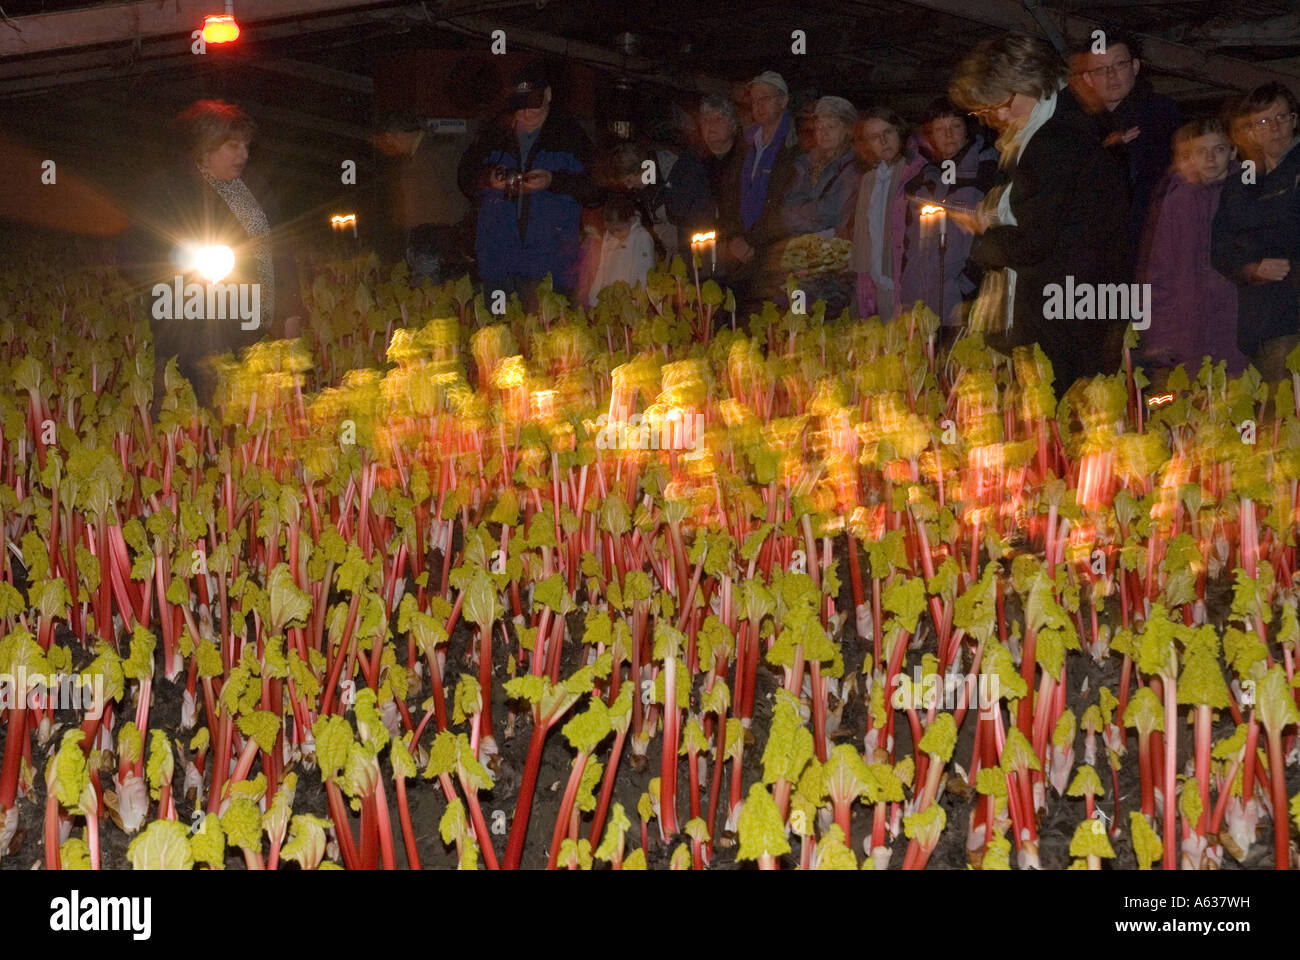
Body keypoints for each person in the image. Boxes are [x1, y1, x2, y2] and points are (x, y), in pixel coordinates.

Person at [948, 33, 1130, 395]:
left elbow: (1033, 241)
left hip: (1063, 309)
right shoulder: (1053, 126)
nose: (997, 116)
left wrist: (982, 236)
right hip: (1073, 303)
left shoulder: (1055, 138)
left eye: (1001, 103)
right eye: (985, 111)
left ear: (1028, 82)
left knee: (1052, 421)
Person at [119, 99, 303, 407]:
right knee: (200, 413)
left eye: (246, 146)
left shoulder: (254, 187)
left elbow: (279, 250)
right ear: (204, 148)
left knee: (252, 417)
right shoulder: (166, 191)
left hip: (252, 325)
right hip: (192, 328)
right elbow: (132, 254)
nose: (243, 155)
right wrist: (183, 263)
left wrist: (291, 310)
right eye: (233, 146)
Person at [456, 63, 601, 302]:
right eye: (519, 104)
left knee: (544, 336)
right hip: (498, 264)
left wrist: (553, 180)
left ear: (548, 95)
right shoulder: (495, 133)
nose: (526, 111)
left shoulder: (570, 135)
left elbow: (595, 190)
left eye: (533, 102)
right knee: (497, 335)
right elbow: (465, 178)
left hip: (551, 268)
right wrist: (489, 177)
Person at [1139, 118, 1247, 376]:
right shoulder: (1177, 201)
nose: (1210, 159)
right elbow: (1159, 271)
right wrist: (1158, 335)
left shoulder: (1247, 193)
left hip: (1236, 328)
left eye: (1219, 149)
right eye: (1201, 151)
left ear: (1233, 151)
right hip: (1187, 330)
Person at [1211, 82, 1300, 382]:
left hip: (1292, 317)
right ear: (1250, 131)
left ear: (1294, 120)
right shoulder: (1240, 184)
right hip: (1255, 324)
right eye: (1263, 121)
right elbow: (1220, 248)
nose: (1274, 128)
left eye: (1281, 117)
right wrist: (1252, 268)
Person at [1075, 31, 1181, 267]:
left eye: (1119, 64)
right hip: (1096, 258)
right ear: (1088, 79)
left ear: (1135, 66)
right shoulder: (1080, 129)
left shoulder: (1159, 116)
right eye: (1100, 70)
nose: (1111, 75)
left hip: (1149, 254)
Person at [898, 98, 1000, 330]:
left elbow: (995, 233)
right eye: (939, 129)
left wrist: (967, 286)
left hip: (965, 298)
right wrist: (909, 296)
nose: (949, 135)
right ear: (930, 136)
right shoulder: (926, 179)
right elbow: (911, 244)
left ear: (967, 128)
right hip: (926, 298)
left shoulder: (989, 171)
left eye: (955, 126)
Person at [718, 71, 799, 313]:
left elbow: (788, 202)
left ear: (783, 101)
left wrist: (753, 240)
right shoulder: (746, 145)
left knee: (771, 325)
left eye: (765, 98)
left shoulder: (795, 147)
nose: (758, 105)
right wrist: (733, 236)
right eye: (754, 101)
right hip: (740, 252)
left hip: (773, 252)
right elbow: (729, 194)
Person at [777, 96, 862, 315]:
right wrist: (811, 212)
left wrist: (802, 211)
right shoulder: (803, 164)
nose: (822, 133)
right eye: (819, 127)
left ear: (847, 130)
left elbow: (832, 212)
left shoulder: (855, 168)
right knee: (797, 321)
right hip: (800, 265)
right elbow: (785, 212)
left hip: (833, 270)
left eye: (830, 127)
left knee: (828, 323)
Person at [847, 106, 926, 320]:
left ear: (899, 131)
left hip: (906, 285)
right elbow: (865, 235)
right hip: (876, 283)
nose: (883, 142)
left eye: (888, 132)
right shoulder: (869, 179)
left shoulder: (919, 173)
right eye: (874, 137)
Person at [595, 138, 714, 263]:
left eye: (630, 180)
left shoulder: (676, 172)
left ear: (641, 167)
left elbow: (688, 217)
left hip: (696, 254)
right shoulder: (648, 183)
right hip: (675, 254)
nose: (629, 187)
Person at [579, 194, 657, 307]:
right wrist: (594, 299)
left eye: (618, 230)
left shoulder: (641, 238)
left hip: (631, 303)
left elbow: (645, 272)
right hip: (610, 301)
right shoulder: (609, 236)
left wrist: (639, 302)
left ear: (632, 220)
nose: (615, 234)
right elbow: (602, 268)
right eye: (611, 230)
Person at [695, 94, 742, 204]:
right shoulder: (690, 161)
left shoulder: (747, 159)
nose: (711, 124)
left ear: (733, 125)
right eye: (705, 119)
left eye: (718, 118)